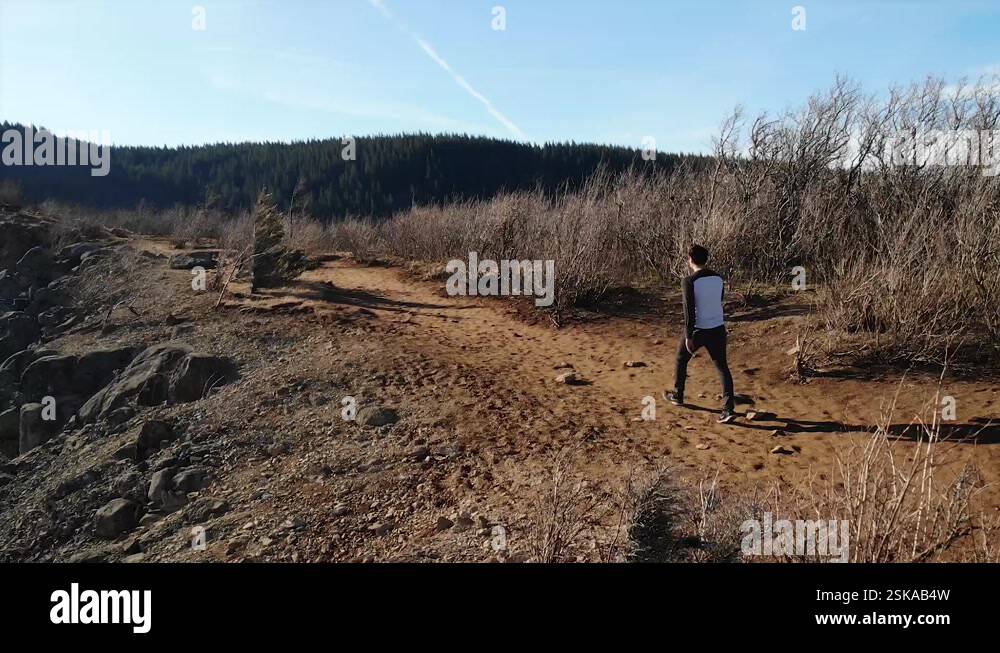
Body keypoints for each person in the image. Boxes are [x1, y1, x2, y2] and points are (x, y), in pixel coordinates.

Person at [663, 244, 737, 423]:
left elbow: (689, 311)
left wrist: (688, 336)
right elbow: (718, 299)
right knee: (722, 367)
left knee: (681, 358)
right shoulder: (718, 278)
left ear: (690, 260)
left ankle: (678, 395)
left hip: (698, 329)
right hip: (717, 327)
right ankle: (728, 409)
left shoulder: (689, 281)